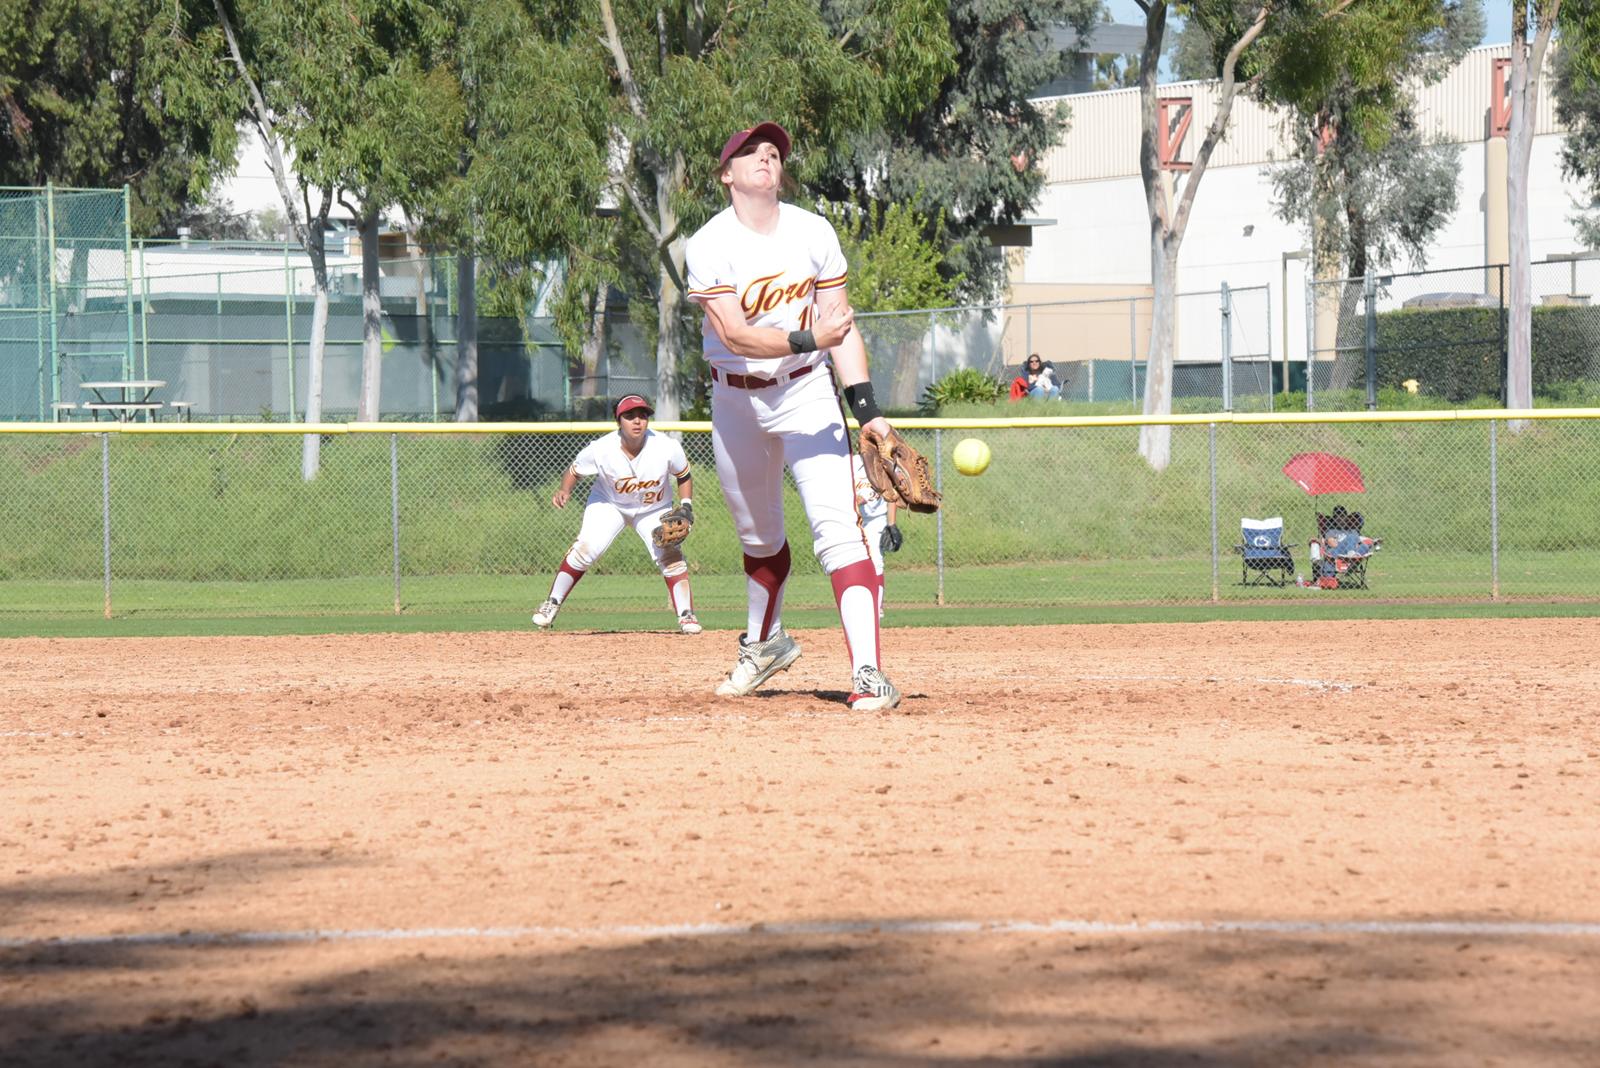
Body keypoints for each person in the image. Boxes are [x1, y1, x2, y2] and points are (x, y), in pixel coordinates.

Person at [683, 120, 902, 711]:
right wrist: (811, 336)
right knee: (760, 540)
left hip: (807, 393)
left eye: (774, 152)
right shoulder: (707, 244)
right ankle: (766, 644)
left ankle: (868, 674)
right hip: (735, 397)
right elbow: (736, 334)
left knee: (839, 528)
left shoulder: (813, 231)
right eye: (750, 152)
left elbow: (842, 327)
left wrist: (869, 414)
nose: (766, 157)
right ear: (726, 174)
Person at [531, 395, 700, 634]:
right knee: (586, 549)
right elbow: (574, 471)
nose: (637, 421)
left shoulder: (666, 446)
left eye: (642, 415)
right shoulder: (601, 449)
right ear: (618, 420)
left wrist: (686, 505)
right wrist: (564, 490)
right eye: (629, 416)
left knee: (670, 554)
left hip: (654, 508)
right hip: (610, 504)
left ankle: (686, 615)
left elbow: (683, 475)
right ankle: (551, 604)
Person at [851, 453, 900, 620]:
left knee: (877, 560)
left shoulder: (886, 464)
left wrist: (891, 524)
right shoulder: (851, 463)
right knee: (850, 562)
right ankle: (855, 606)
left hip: (876, 519)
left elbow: (891, 495)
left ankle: (876, 608)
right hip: (852, 518)